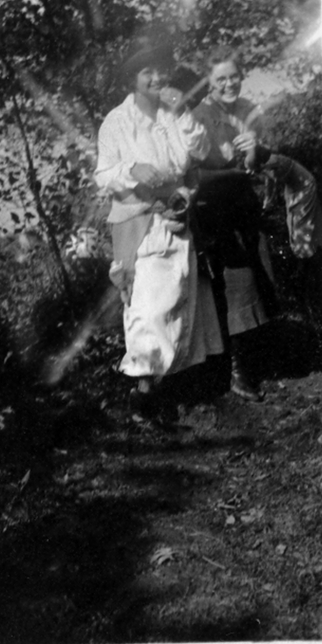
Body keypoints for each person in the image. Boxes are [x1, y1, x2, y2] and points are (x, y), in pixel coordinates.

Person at [94, 38, 224, 415]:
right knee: (147, 308)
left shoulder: (173, 113)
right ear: (133, 79)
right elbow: (103, 174)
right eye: (146, 71)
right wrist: (131, 169)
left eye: (159, 70)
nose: (156, 77)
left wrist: (182, 110)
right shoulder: (118, 122)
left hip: (178, 216)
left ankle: (175, 388)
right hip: (141, 223)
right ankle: (143, 393)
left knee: (182, 298)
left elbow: (199, 151)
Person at [191, 45, 322, 401]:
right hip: (216, 213)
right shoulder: (199, 117)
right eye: (221, 78)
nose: (229, 83)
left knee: (258, 282)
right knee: (237, 287)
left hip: (248, 208)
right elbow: (193, 173)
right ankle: (238, 372)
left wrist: (257, 149)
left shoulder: (249, 110)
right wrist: (233, 166)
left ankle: (254, 361)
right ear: (209, 81)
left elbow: (268, 156)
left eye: (234, 76)